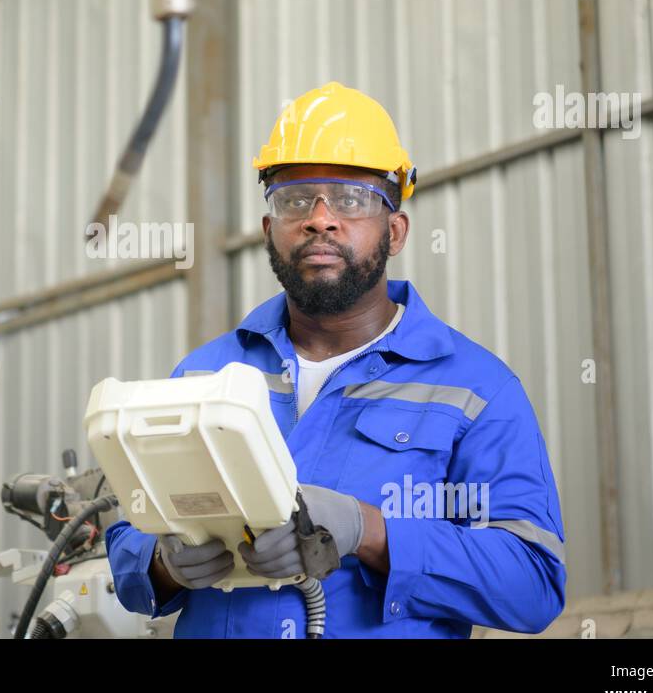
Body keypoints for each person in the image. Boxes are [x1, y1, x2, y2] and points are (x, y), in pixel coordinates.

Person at [105, 82, 567, 638]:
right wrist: (162, 563)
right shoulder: (204, 375)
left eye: (351, 199)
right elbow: (131, 533)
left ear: (394, 231)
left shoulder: (474, 389)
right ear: (269, 230)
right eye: (296, 199)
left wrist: (368, 531)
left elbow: (533, 585)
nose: (320, 219)